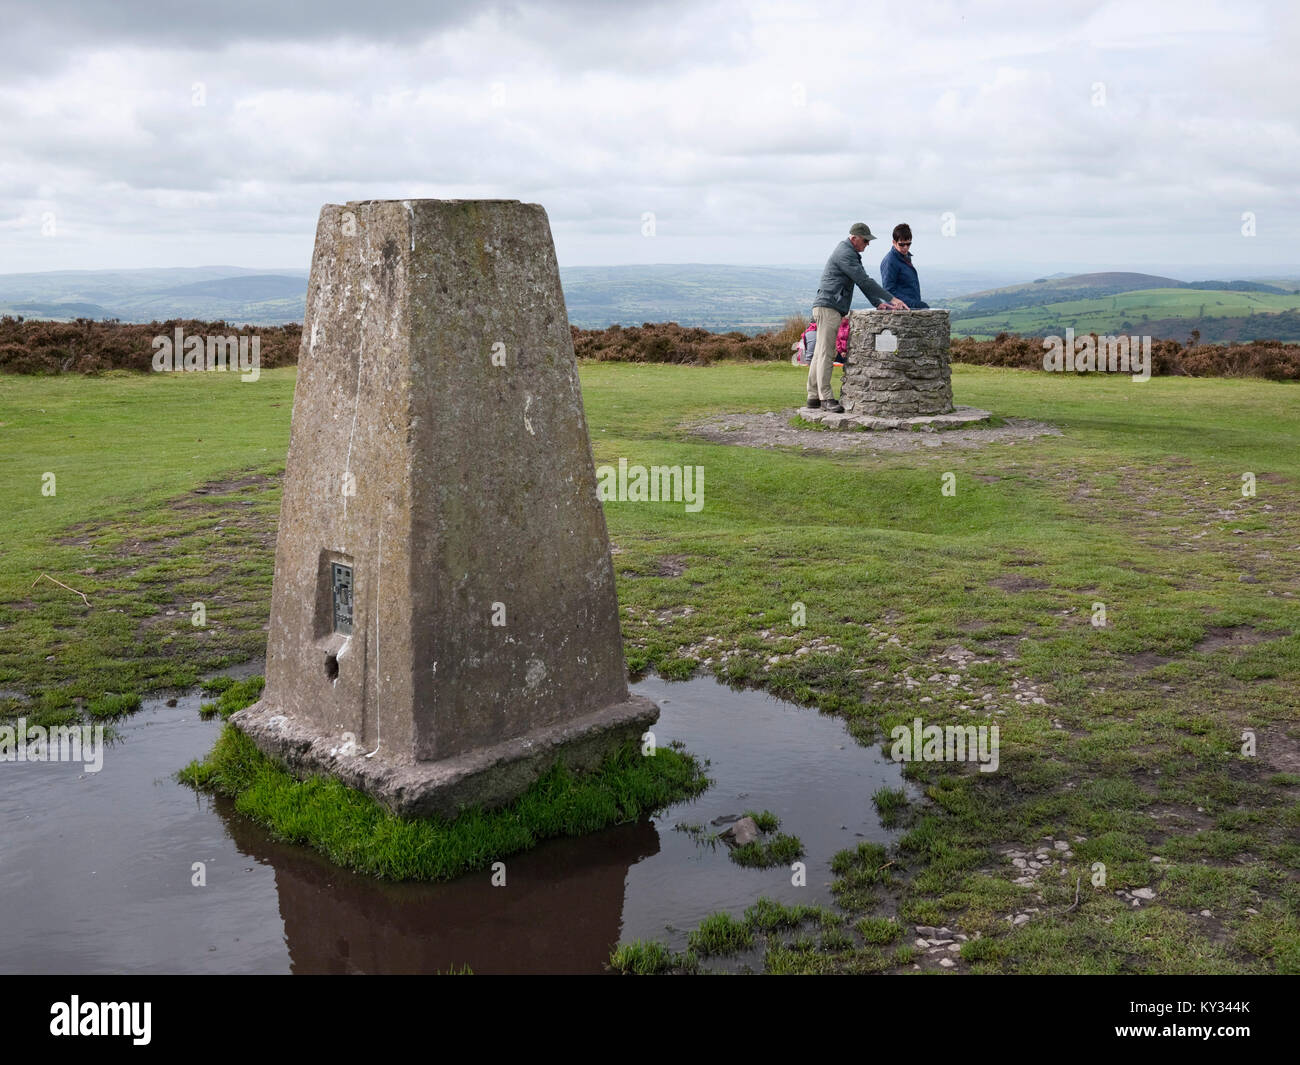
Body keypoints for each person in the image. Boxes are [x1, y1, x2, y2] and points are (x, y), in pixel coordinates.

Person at [807, 223, 907, 412]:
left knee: (820, 352)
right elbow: (864, 280)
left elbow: (861, 282)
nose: (867, 244)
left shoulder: (849, 253)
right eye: (865, 240)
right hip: (829, 307)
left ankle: (813, 396)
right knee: (826, 354)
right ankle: (825, 398)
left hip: (827, 306)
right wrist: (892, 299)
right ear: (854, 238)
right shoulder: (845, 254)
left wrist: (877, 303)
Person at [879, 223, 929, 309]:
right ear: (894, 242)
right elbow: (888, 290)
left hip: (909, 307)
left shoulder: (904, 257)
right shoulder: (890, 261)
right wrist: (914, 304)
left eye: (908, 244)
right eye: (902, 244)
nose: (905, 247)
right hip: (900, 309)